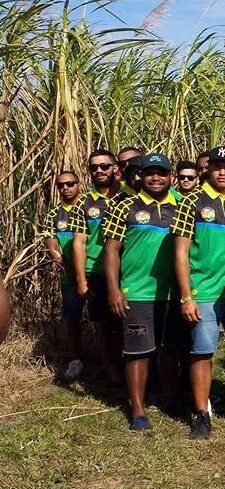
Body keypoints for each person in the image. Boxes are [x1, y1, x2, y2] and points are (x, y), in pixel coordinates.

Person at [171, 145, 225, 440]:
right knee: (202, 353)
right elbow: (180, 253)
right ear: (208, 168)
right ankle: (202, 413)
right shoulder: (191, 202)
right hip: (202, 291)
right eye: (217, 165)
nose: (222, 171)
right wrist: (186, 296)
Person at [103, 153, 183, 431]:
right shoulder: (124, 207)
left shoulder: (182, 206)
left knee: (169, 349)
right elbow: (111, 251)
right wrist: (114, 290)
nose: (156, 178)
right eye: (150, 173)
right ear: (141, 176)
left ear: (170, 177)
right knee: (137, 352)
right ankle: (137, 409)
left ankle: (169, 398)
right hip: (136, 292)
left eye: (162, 173)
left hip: (173, 293)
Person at [69, 149, 123, 382]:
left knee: (126, 322)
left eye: (104, 166)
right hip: (96, 272)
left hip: (127, 272)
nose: (99, 171)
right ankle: (111, 370)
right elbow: (79, 242)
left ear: (115, 169)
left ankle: (133, 368)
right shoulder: (84, 203)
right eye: (94, 167)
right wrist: (81, 280)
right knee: (102, 323)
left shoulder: (129, 198)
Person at [44, 171, 84, 380]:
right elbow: (50, 240)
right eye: (61, 185)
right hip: (69, 275)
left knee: (102, 320)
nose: (65, 188)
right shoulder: (54, 214)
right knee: (72, 317)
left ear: (79, 183)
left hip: (93, 272)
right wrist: (55, 254)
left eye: (70, 183)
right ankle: (75, 359)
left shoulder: (88, 207)